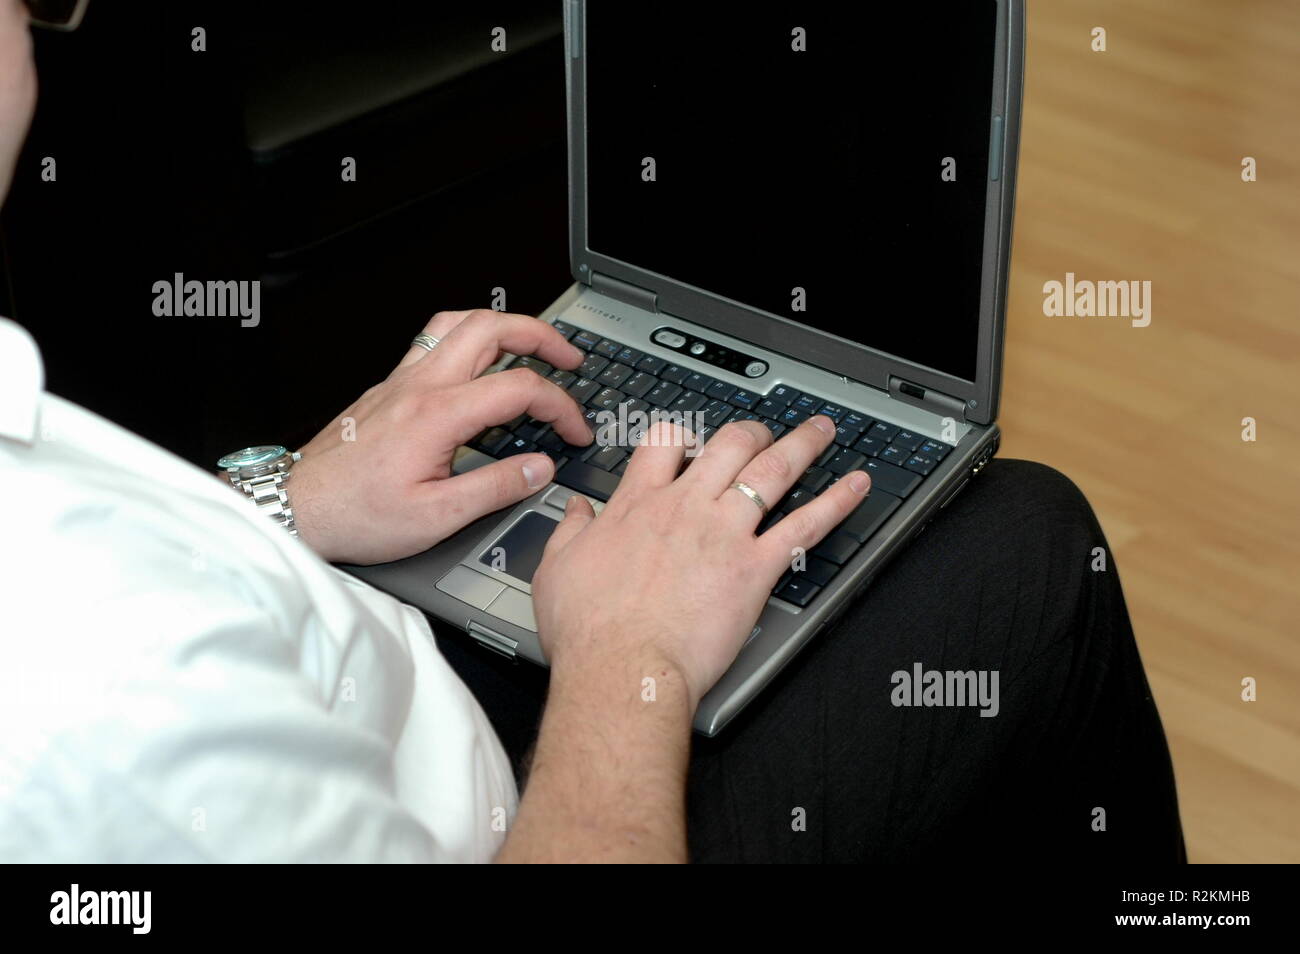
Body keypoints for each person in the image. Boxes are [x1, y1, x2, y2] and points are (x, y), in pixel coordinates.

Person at [0, 0, 1184, 863]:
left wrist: (287, 504)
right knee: (1028, 542)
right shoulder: (104, 710)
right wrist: (630, 662)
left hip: (381, 685)